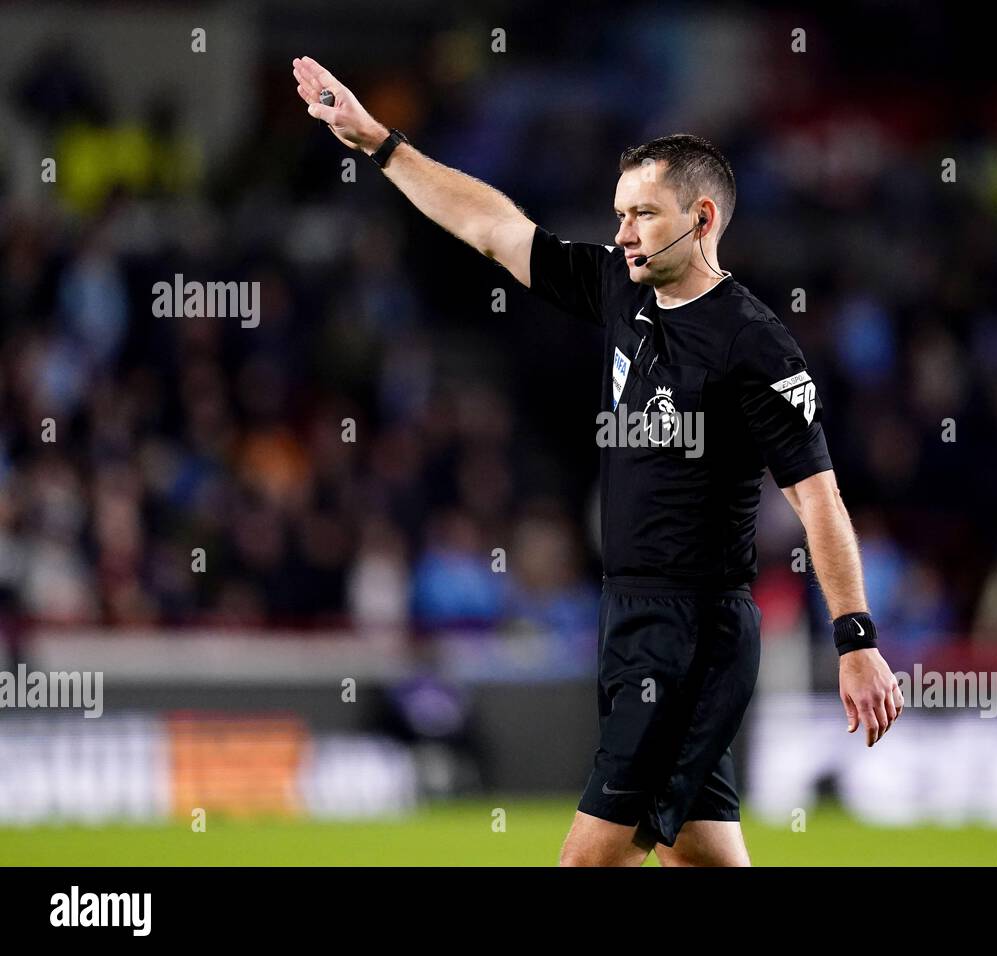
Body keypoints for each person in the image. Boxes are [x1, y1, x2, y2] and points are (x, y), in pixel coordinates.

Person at [291, 56, 903, 866]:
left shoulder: (754, 345)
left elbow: (818, 500)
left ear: (704, 217)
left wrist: (855, 637)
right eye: (619, 214)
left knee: (586, 859)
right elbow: (493, 228)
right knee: (703, 853)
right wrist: (379, 143)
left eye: (643, 215)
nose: (621, 234)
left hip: (692, 635)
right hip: (630, 617)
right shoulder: (622, 288)